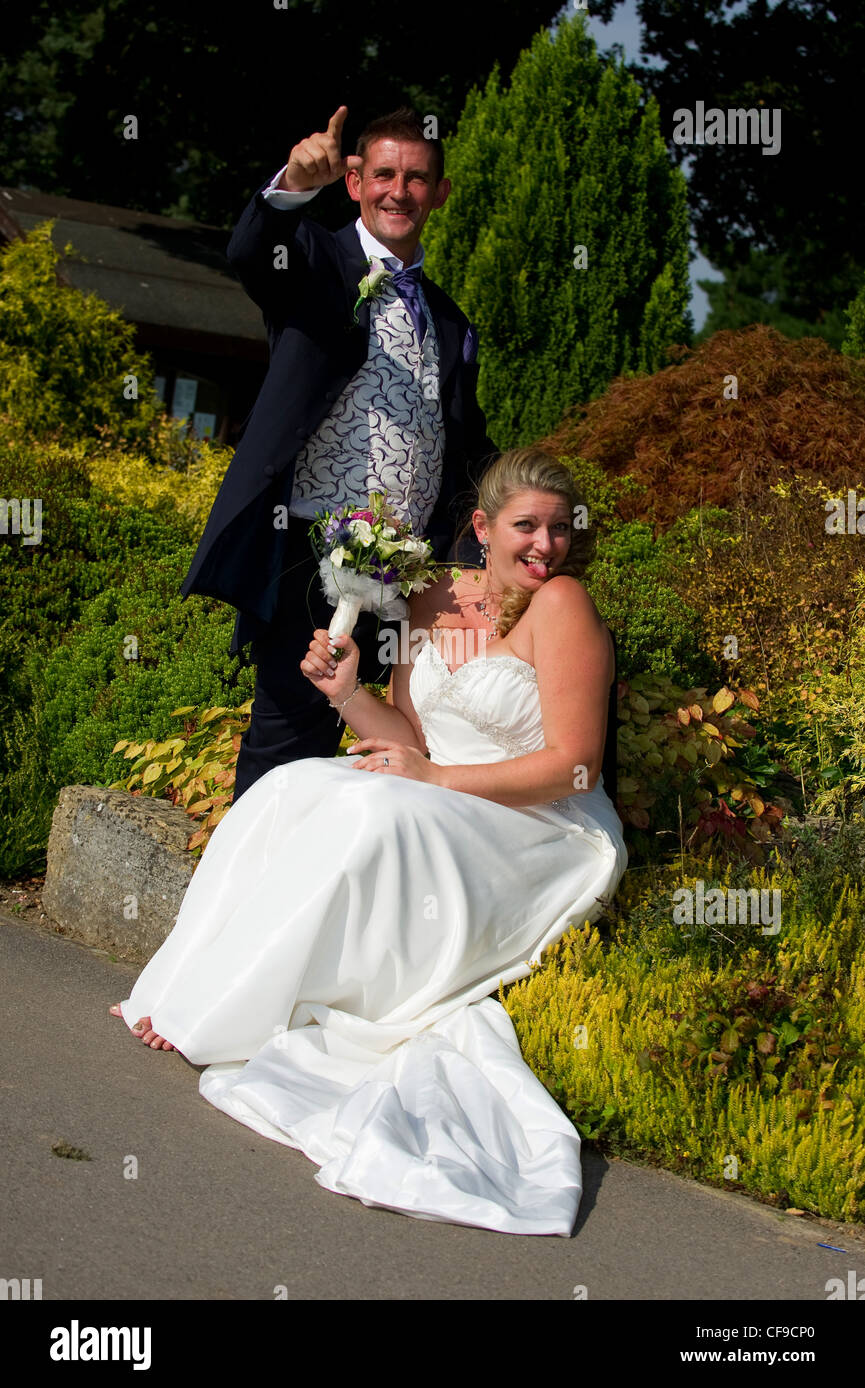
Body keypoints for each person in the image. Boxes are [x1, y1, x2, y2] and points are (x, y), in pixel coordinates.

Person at [110, 449, 628, 1237]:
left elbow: (575, 764)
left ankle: (231, 1018)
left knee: (376, 815)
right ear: (482, 528)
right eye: (526, 526)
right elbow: (411, 738)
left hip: (539, 824)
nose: (545, 546)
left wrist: (435, 781)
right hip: (442, 794)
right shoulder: (428, 597)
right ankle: (194, 993)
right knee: (293, 787)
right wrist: (347, 693)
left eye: (558, 529)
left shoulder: (562, 606)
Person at [179, 104, 498, 801]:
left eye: (416, 178)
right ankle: (247, 902)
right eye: (383, 173)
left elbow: (466, 444)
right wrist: (293, 182)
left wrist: (508, 524)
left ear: (438, 193)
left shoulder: (449, 318)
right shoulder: (318, 259)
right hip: (303, 551)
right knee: (291, 734)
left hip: (409, 573)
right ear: (353, 180)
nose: (398, 191)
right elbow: (249, 253)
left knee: (398, 744)